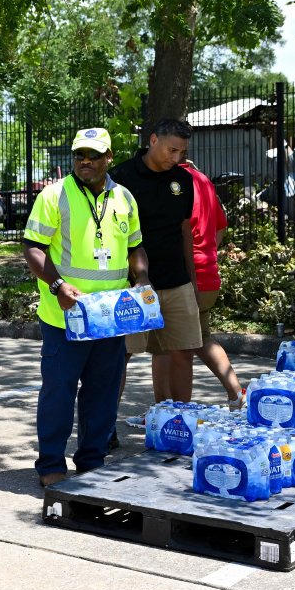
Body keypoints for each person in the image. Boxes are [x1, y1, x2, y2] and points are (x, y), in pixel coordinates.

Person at [23, 127, 149, 487]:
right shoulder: (54, 195)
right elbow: (32, 247)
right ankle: (50, 463)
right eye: (79, 155)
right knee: (59, 390)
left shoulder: (124, 197)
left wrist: (141, 279)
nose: (85, 162)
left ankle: (92, 459)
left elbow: (135, 246)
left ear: (109, 158)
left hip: (109, 316)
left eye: (94, 155)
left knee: (103, 391)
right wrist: (58, 284)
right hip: (64, 316)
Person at [110, 119, 201, 403]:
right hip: (130, 285)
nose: (176, 158)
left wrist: (192, 276)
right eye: (171, 150)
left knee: (184, 351)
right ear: (152, 140)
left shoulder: (184, 180)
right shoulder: (119, 177)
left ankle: (181, 420)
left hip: (176, 281)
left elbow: (185, 228)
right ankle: (105, 426)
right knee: (119, 356)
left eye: (181, 153)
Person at [184, 158, 244, 408]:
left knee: (172, 348)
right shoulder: (205, 182)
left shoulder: (172, 183)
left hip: (186, 277)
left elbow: (180, 230)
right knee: (201, 338)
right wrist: (207, 251)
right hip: (208, 273)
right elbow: (221, 226)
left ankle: (168, 410)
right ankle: (236, 394)